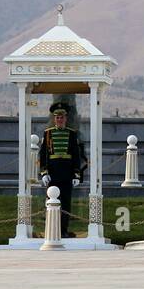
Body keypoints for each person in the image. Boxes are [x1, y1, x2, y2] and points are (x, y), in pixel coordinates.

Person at [39, 101, 87, 238]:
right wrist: (44, 172)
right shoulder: (47, 134)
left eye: (62, 117)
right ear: (55, 119)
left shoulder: (72, 134)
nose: (60, 120)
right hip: (53, 173)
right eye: (57, 117)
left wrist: (76, 174)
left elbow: (76, 155)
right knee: (51, 202)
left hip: (66, 173)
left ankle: (63, 231)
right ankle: (52, 230)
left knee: (65, 203)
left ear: (66, 118)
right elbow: (43, 155)